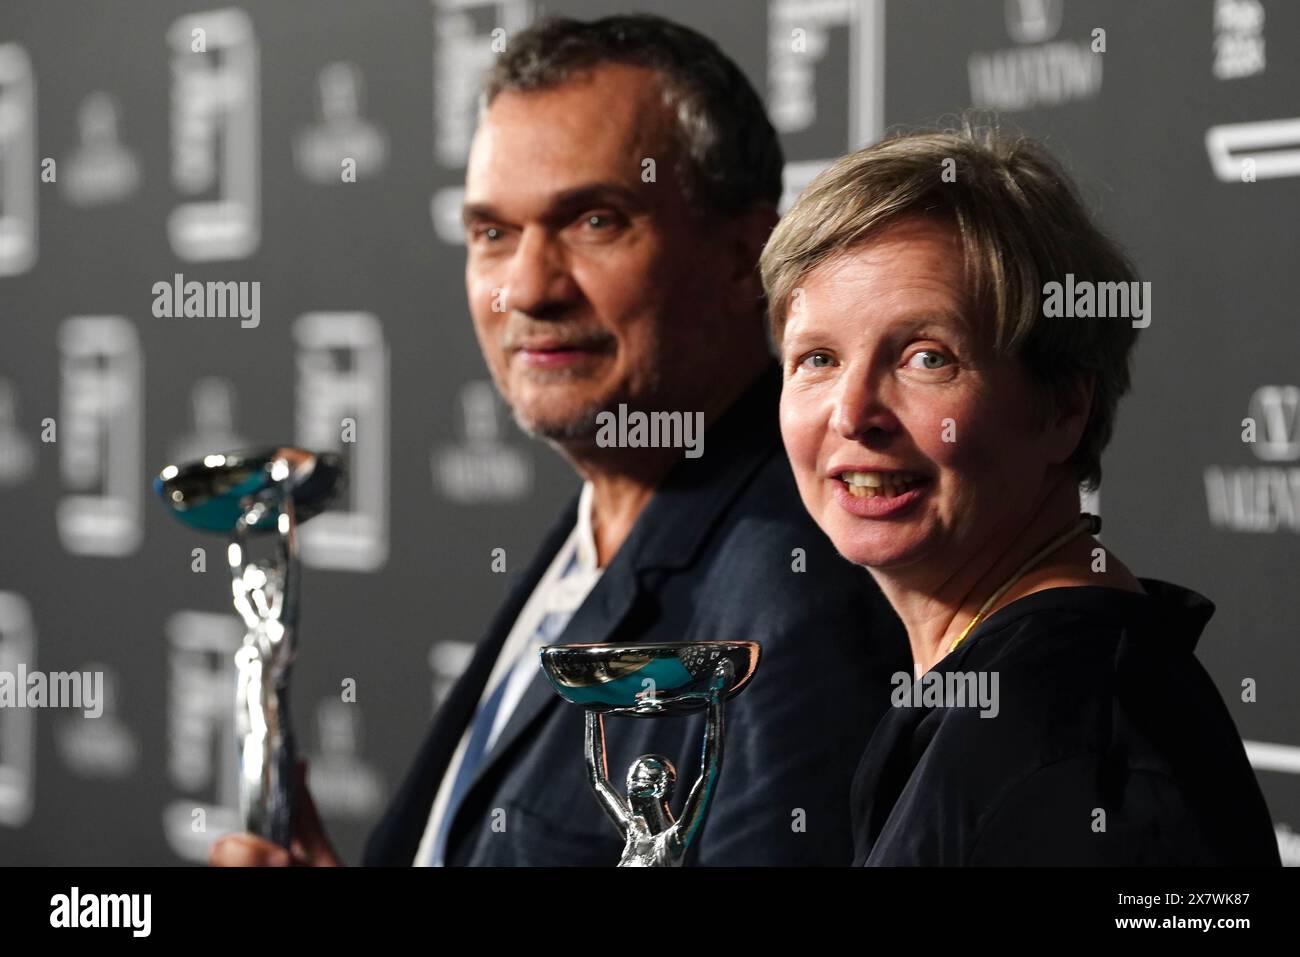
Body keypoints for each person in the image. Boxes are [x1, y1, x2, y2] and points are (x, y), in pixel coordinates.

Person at [211, 13, 907, 868]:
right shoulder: (604, 524)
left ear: (744, 257)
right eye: (493, 233)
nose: (528, 289)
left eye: (595, 221)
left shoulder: (795, 594)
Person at [760, 121, 1281, 865]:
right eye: (817, 357)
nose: (851, 413)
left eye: (925, 357)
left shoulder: (1070, 755)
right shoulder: (998, 692)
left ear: (1062, 408)